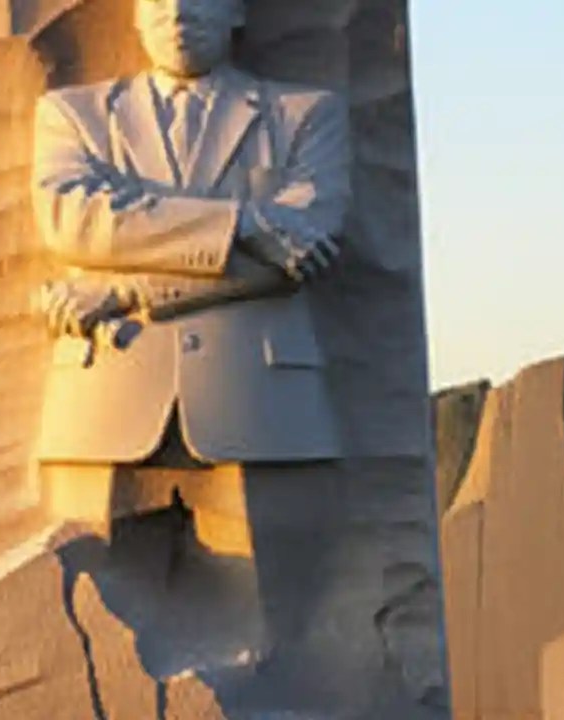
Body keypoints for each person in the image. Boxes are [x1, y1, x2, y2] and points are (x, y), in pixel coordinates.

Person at [28, 0, 447, 713]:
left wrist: (122, 291)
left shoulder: (305, 113)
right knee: (86, 630)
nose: (178, 12)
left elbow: (304, 247)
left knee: (290, 636)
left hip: (263, 392)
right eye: (157, 0)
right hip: (105, 395)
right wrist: (242, 221)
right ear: (132, 16)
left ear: (236, 12)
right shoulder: (75, 114)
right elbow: (73, 221)